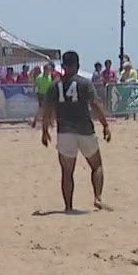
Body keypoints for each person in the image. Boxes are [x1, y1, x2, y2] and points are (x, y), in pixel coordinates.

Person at [39, 50, 112, 212]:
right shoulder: (85, 83)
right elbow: (95, 105)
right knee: (96, 165)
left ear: (63, 66)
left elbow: (47, 110)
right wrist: (105, 125)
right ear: (78, 66)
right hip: (85, 129)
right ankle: (97, 198)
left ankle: (68, 206)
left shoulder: (53, 85)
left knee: (67, 172)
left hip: (64, 131)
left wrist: (45, 131)